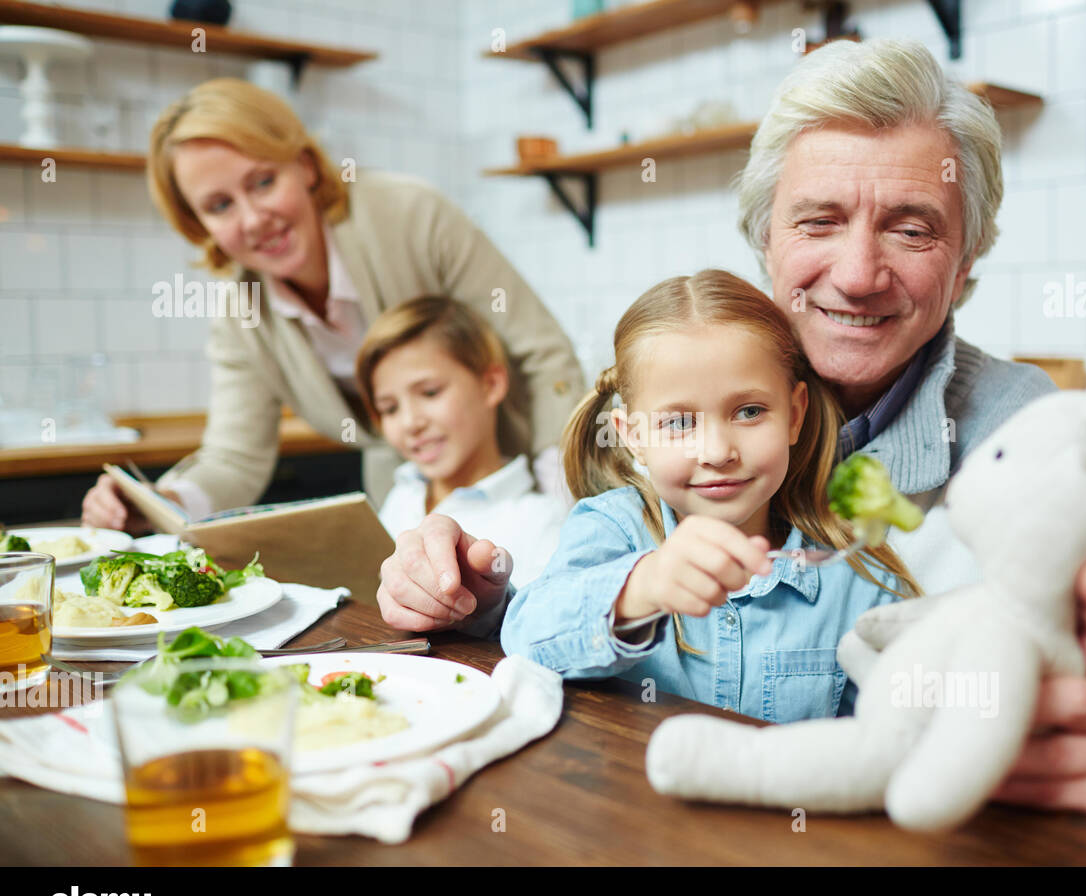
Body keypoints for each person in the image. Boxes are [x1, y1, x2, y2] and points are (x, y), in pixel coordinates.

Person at [378, 39, 1086, 854]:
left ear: (969, 259)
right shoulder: (696, 385)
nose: (859, 273)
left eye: (912, 228)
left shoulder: (1033, 443)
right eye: (818, 220)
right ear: (765, 241)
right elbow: (590, 614)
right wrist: (476, 599)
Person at [81, 77, 582, 532]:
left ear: (304, 166)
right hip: (410, 494)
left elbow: (540, 354)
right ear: (198, 224)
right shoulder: (242, 312)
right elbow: (236, 457)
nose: (254, 219)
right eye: (220, 205)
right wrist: (157, 503)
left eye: (262, 182)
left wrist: (567, 496)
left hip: (528, 471)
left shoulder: (411, 216)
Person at [501, 270, 919, 721]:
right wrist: (641, 587)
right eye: (679, 423)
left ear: (794, 415)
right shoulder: (610, 528)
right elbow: (526, 638)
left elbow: (896, 732)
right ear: (632, 436)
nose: (718, 452)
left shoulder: (854, 577)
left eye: (749, 411)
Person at [355, 295, 568, 588]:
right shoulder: (401, 496)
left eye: (430, 393)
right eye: (390, 408)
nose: (410, 423)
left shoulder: (543, 520)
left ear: (491, 385)